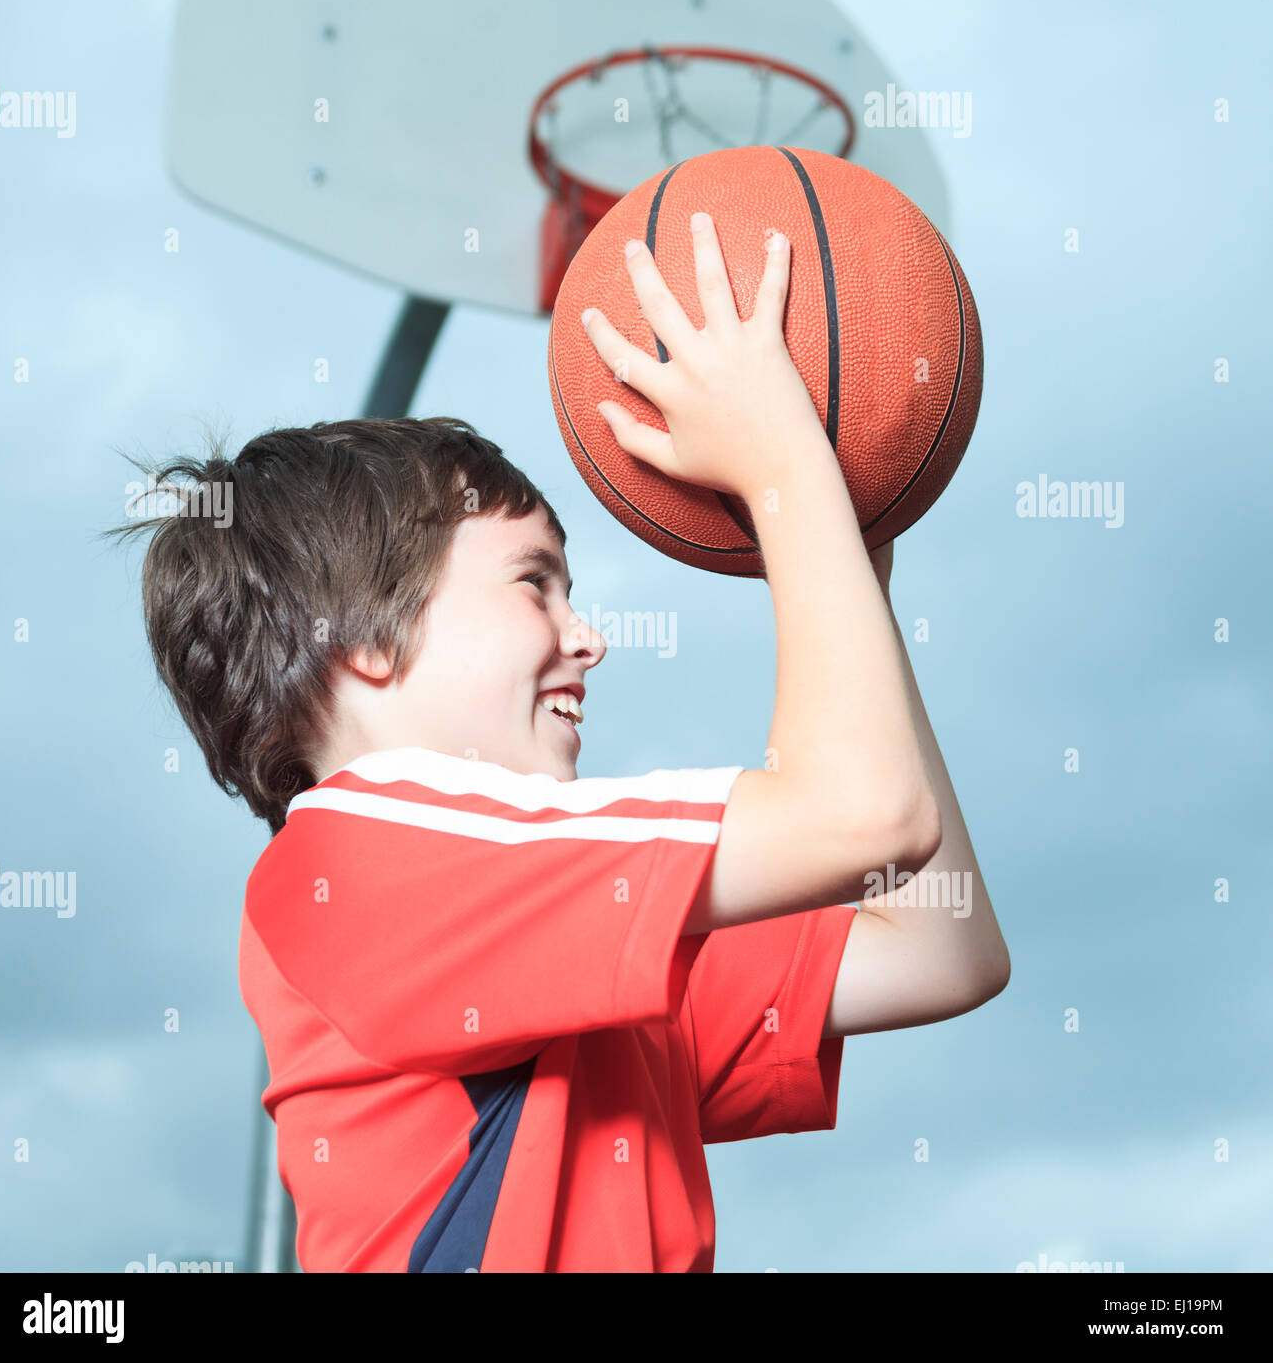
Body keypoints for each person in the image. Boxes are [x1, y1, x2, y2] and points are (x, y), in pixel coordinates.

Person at [112, 213, 1008, 1271]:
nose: (587, 637)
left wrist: (851, 571)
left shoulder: (566, 943)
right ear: (357, 641)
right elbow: (864, 814)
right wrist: (784, 476)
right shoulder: (360, 865)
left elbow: (942, 951)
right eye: (534, 582)